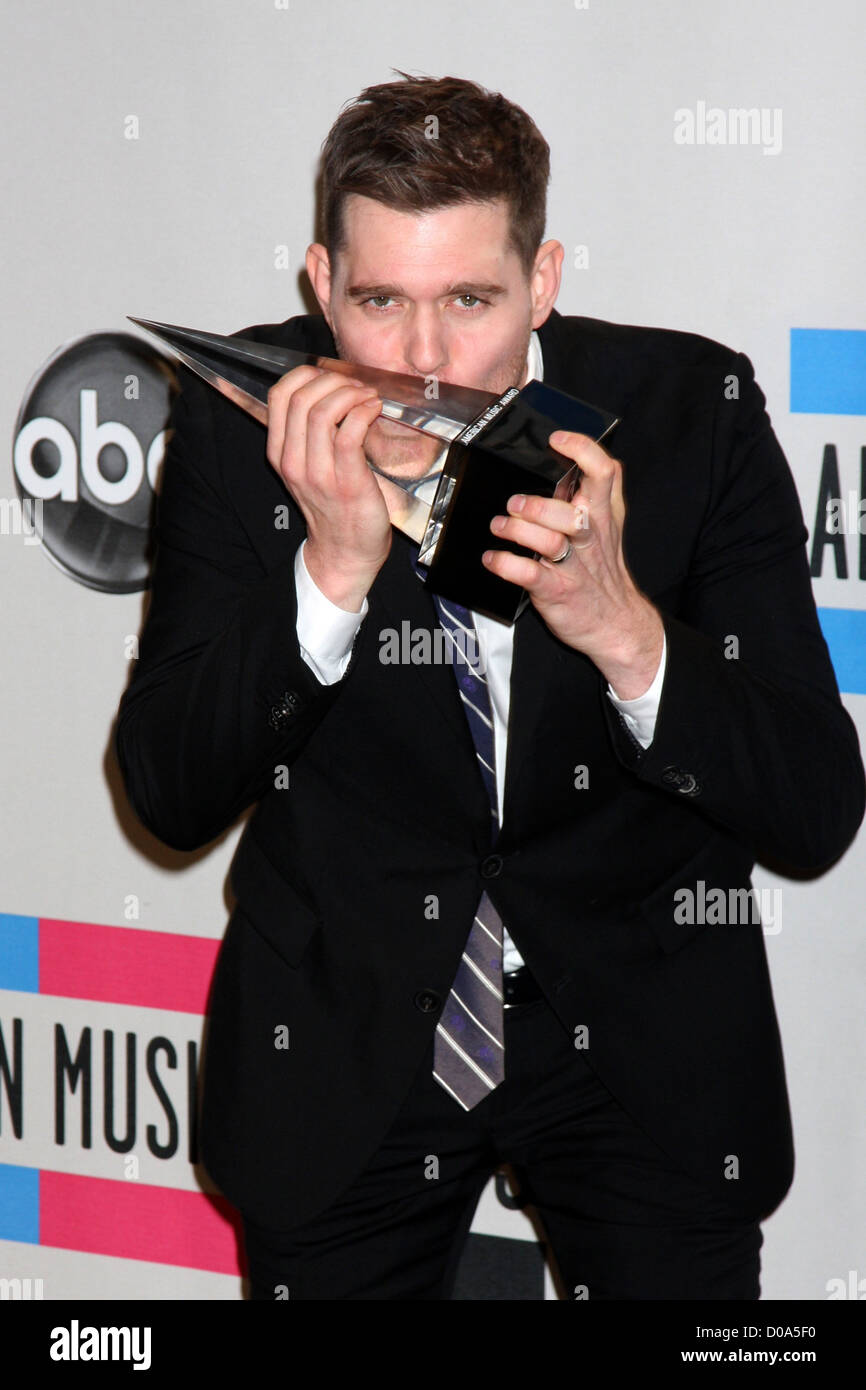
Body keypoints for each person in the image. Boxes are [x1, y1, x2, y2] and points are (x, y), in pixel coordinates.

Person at [115, 73, 865, 1300]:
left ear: (545, 279)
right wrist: (330, 574)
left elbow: (813, 805)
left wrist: (626, 634)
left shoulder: (691, 416)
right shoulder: (238, 428)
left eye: (470, 301)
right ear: (318, 284)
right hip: (348, 1030)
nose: (420, 358)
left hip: (642, 1031)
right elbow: (168, 790)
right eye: (377, 303)